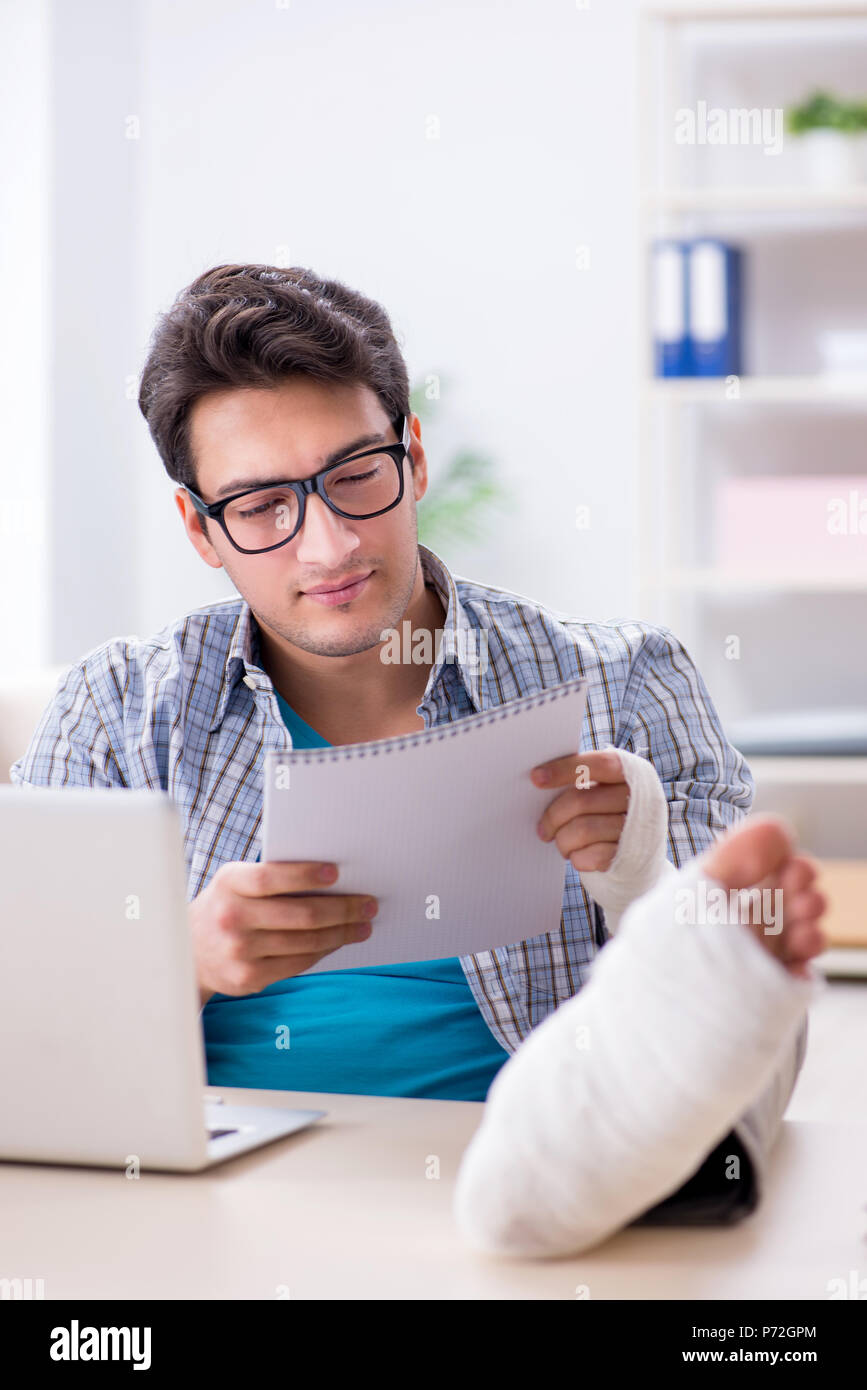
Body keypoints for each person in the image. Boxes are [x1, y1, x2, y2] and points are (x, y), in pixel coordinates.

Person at [10, 263, 789, 1227]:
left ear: (412, 458)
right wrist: (185, 961)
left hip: (532, 1188)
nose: (329, 546)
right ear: (199, 530)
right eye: (260, 509)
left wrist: (637, 873)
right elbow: (30, 1052)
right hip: (212, 1206)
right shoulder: (118, 711)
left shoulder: (626, 682)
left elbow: (747, 1029)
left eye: (356, 478)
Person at [453, 807, 827, 1258]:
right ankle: (575, 1135)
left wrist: (635, 874)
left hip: (535, 1070)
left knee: (717, 938)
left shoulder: (619, 736)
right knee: (708, 969)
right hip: (350, 1114)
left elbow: (717, 880)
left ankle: (595, 1108)